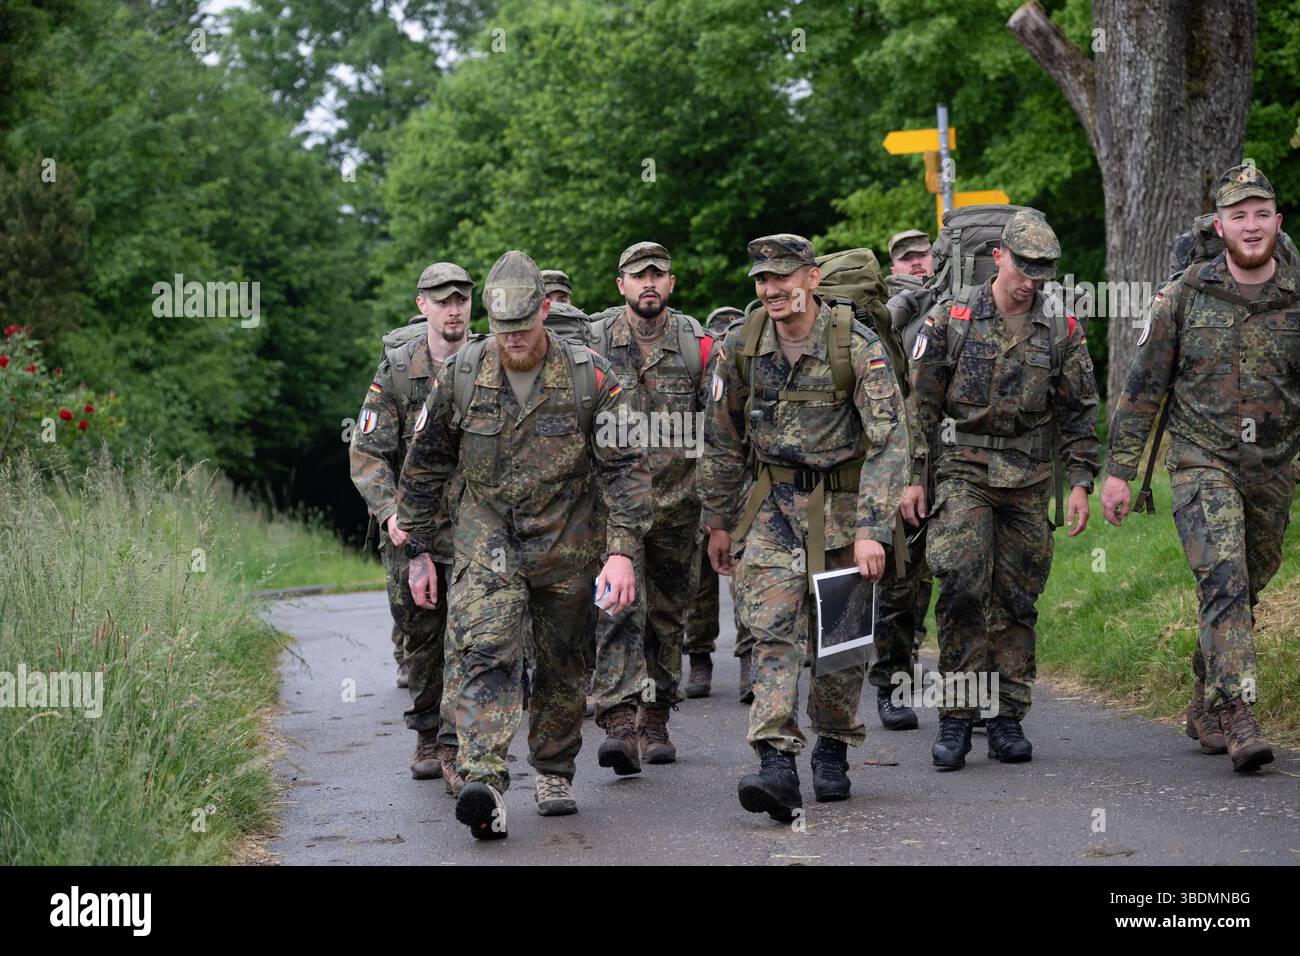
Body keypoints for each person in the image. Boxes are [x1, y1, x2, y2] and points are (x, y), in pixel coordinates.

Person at [397, 250, 651, 839]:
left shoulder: (593, 377)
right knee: (485, 651)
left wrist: (621, 551)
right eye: (503, 329)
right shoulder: (461, 374)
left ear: (545, 310)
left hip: (568, 540)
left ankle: (555, 768)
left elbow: (626, 470)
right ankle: (484, 779)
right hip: (487, 537)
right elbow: (425, 468)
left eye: (524, 326)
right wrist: (416, 553)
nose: (513, 340)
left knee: (563, 662)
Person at [700, 234, 909, 821]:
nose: (772, 290)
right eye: (762, 280)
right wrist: (717, 522)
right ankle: (775, 761)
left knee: (840, 644)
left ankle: (834, 746)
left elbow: (891, 442)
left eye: (783, 278)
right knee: (771, 632)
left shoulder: (856, 346)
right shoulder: (739, 347)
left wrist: (873, 527)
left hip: (844, 512)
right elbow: (721, 441)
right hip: (769, 508)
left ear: (811, 279)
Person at [1102, 164, 1297, 773]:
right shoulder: (1184, 295)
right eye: (1238, 215)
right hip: (1199, 459)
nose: (1251, 225)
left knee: (1248, 583)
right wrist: (1120, 471)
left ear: (1278, 222)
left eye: (1261, 213)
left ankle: (1204, 698)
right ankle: (1239, 714)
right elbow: (1142, 389)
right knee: (1225, 578)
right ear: (1220, 226)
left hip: (1272, 466)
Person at [904, 211, 1100, 770]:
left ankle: (1008, 715)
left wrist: (1081, 481)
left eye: (1043, 270)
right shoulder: (952, 318)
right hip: (963, 467)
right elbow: (920, 410)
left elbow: (1080, 410)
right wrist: (912, 481)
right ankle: (959, 717)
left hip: (1030, 475)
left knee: (1017, 594)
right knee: (962, 580)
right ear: (998, 258)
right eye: (1023, 266)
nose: (1030, 280)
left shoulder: (1061, 328)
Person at [587, 241, 713, 772]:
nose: (649, 284)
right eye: (638, 276)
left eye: (658, 275)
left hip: (678, 506)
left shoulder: (696, 345)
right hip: (616, 508)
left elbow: (721, 428)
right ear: (621, 286)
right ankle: (619, 720)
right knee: (616, 606)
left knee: (665, 616)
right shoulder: (593, 343)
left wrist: (717, 505)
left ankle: (657, 713)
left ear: (671, 283)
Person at [349, 262, 472, 789]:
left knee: (475, 637)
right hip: (411, 530)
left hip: (474, 528)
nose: (453, 309)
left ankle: (459, 741)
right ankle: (427, 730)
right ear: (422, 305)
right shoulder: (399, 370)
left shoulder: (486, 362)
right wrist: (389, 513)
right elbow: (368, 453)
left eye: (461, 299)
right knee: (422, 639)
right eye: (442, 300)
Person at [683, 307, 749, 700]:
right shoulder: (701, 367)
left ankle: (749, 655)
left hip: (746, 483)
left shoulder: (747, 363)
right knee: (701, 578)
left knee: (747, 574)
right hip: (699, 478)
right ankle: (698, 656)